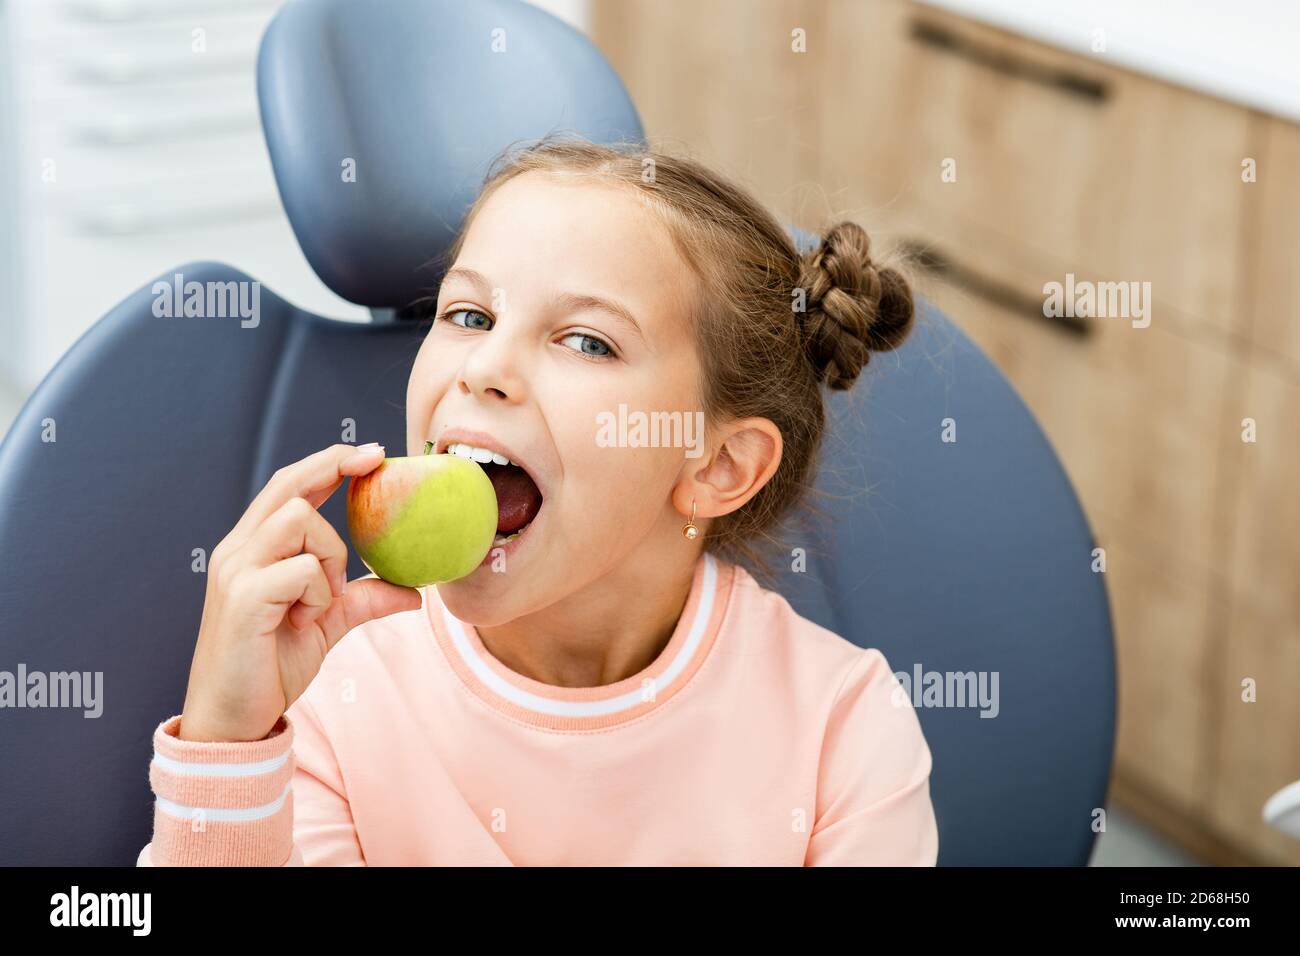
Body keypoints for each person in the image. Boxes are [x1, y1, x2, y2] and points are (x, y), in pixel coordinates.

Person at [138, 137, 937, 866]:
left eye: (586, 340)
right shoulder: (329, 693)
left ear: (720, 464)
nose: (485, 365)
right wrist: (227, 745)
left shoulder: (843, 730)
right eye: (469, 315)